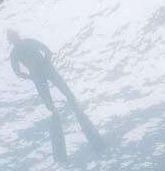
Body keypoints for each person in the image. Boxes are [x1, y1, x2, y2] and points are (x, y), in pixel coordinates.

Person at [8, 29, 105, 159]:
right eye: (13, 37)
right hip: (43, 71)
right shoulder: (23, 46)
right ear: (15, 36)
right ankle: (66, 109)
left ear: (12, 39)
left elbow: (19, 72)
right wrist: (42, 66)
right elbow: (47, 51)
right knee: (62, 96)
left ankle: (59, 111)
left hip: (40, 73)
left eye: (12, 37)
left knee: (57, 99)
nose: (14, 39)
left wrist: (32, 75)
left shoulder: (16, 52)